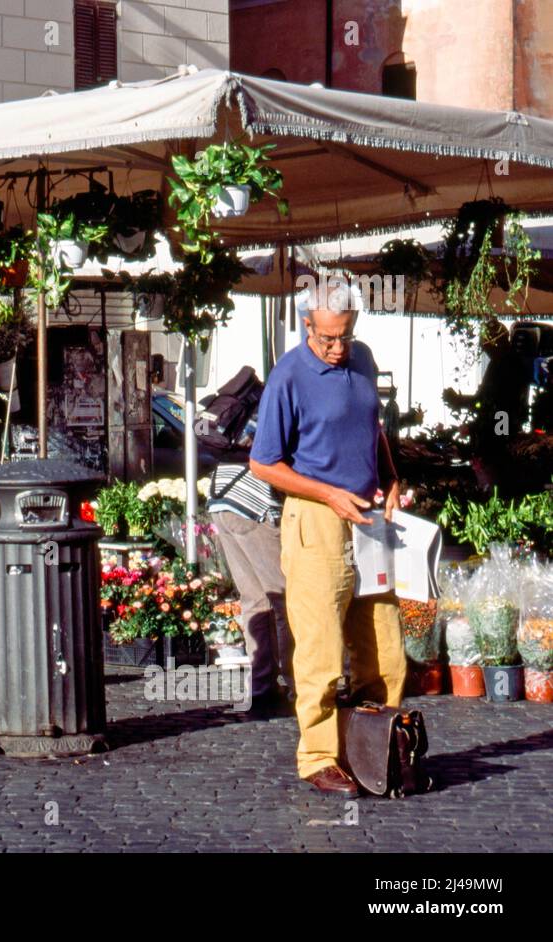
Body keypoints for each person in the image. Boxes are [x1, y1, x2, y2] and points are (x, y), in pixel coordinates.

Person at [249, 282, 405, 798]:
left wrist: (390, 474)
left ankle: (377, 742)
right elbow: (262, 463)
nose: (339, 347)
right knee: (321, 646)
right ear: (306, 326)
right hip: (315, 520)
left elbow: (372, 425)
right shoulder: (288, 376)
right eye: (328, 339)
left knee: (383, 642)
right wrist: (329, 495)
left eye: (346, 335)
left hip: (366, 517)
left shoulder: (361, 359)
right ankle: (318, 756)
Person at [207, 461, 293, 712]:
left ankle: (261, 684)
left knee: (254, 597)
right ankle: (300, 683)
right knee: (286, 598)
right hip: (254, 499)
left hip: (223, 493)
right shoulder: (271, 418)